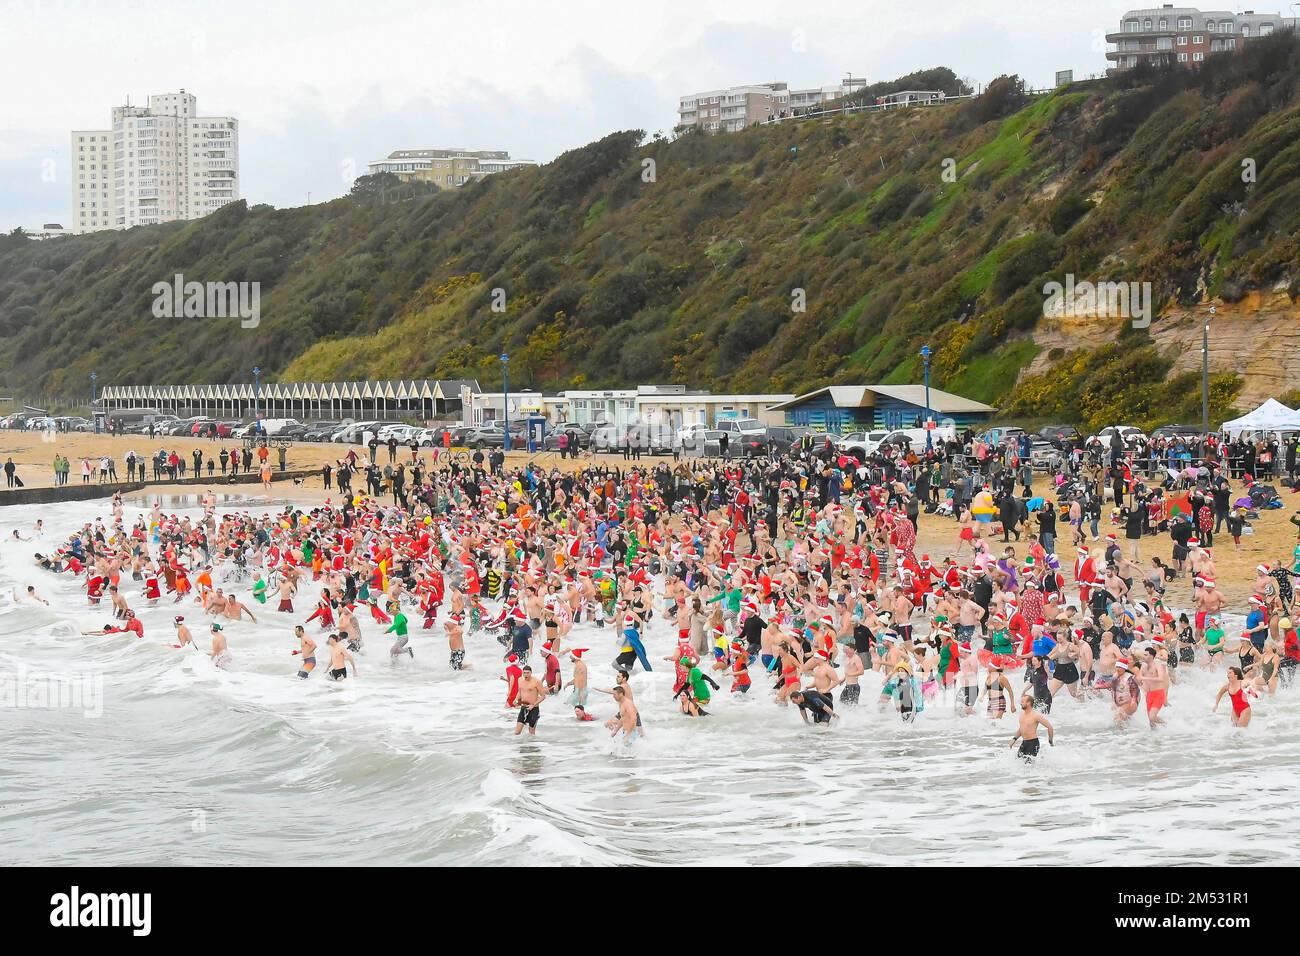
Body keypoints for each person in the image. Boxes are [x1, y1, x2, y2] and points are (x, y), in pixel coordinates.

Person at [1009, 693, 1054, 760]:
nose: (1021, 703)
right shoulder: (1022, 714)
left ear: (1029, 703)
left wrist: (1050, 740)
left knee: (1028, 766)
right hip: (1024, 742)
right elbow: (1022, 728)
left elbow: (1050, 727)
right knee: (1017, 762)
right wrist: (1014, 739)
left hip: (1033, 743)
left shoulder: (1036, 715)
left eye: (1023, 701)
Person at [513, 665, 546, 736]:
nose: (526, 675)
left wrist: (533, 705)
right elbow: (520, 691)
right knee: (517, 733)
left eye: (528, 673)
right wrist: (516, 699)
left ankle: (531, 746)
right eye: (524, 673)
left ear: (531, 673)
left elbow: (543, 696)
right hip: (523, 707)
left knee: (531, 734)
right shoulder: (520, 680)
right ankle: (519, 746)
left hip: (534, 709)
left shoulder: (537, 682)